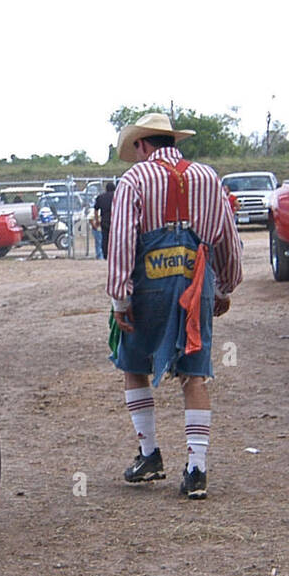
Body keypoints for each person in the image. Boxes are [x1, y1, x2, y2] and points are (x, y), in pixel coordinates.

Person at [106, 113, 242, 500]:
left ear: (142, 145)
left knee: (133, 366)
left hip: (148, 287)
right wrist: (224, 287)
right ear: (171, 142)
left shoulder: (133, 181)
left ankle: (149, 454)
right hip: (195, 283)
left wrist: (120, 297)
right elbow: (226, 237)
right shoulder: (208, 177)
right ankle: (197, 467)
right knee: (194, 373)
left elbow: (121, 241)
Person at [93, 181, 115, 260]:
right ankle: (114, 255)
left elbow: (95, 209)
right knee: (115, 238)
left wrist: (97, 220)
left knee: (105, 239)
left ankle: (106, 255)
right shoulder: (117, 196)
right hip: (115, 220)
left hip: (104, 221)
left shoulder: (100, 197)